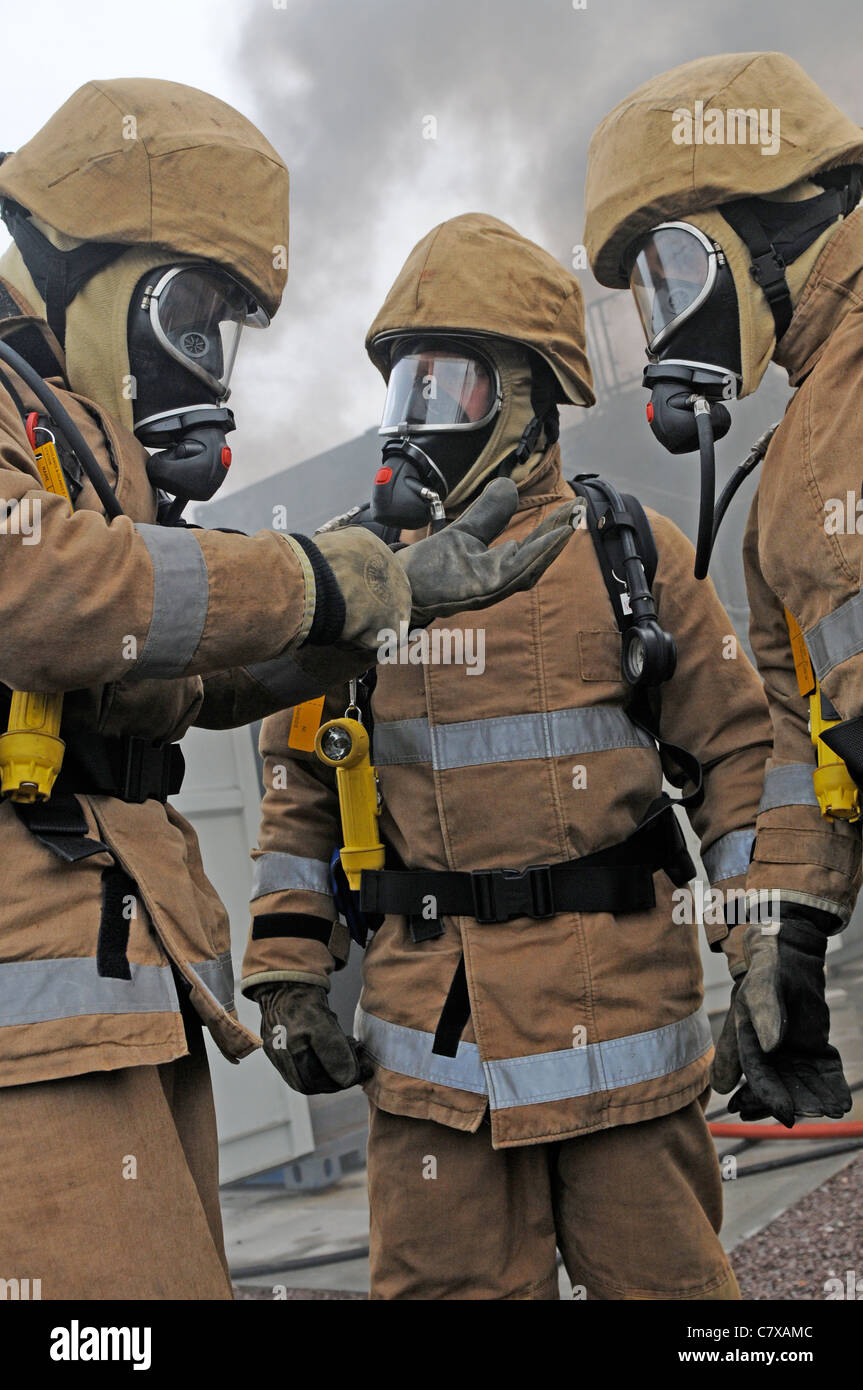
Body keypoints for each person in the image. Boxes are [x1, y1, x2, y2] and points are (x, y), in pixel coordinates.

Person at [0, 84, 569, 1300]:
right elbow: (40, 588)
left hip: (109, 987)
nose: (206, 366)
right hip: (43, 1007)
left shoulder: (66, 440)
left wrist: (373, 599)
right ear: (88, 268)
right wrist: (318, 580)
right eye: (192, 314)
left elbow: (169, 683)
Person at [243, 213, 773, 1300]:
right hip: (437, 1066)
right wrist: (289, 973)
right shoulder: (362, 578)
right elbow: (298, 791)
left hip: (620, 1047)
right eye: (406, 389)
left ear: (530, 403)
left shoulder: (631, 555)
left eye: (451, 388)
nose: (417, 421)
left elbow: (737, 757)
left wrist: (762, 947)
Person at [583, 51, 863, 1129]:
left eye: (664, 273)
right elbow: (797, 733)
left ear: (741, 237)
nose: (663, 325)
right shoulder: (791, 455)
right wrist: (782, 926)